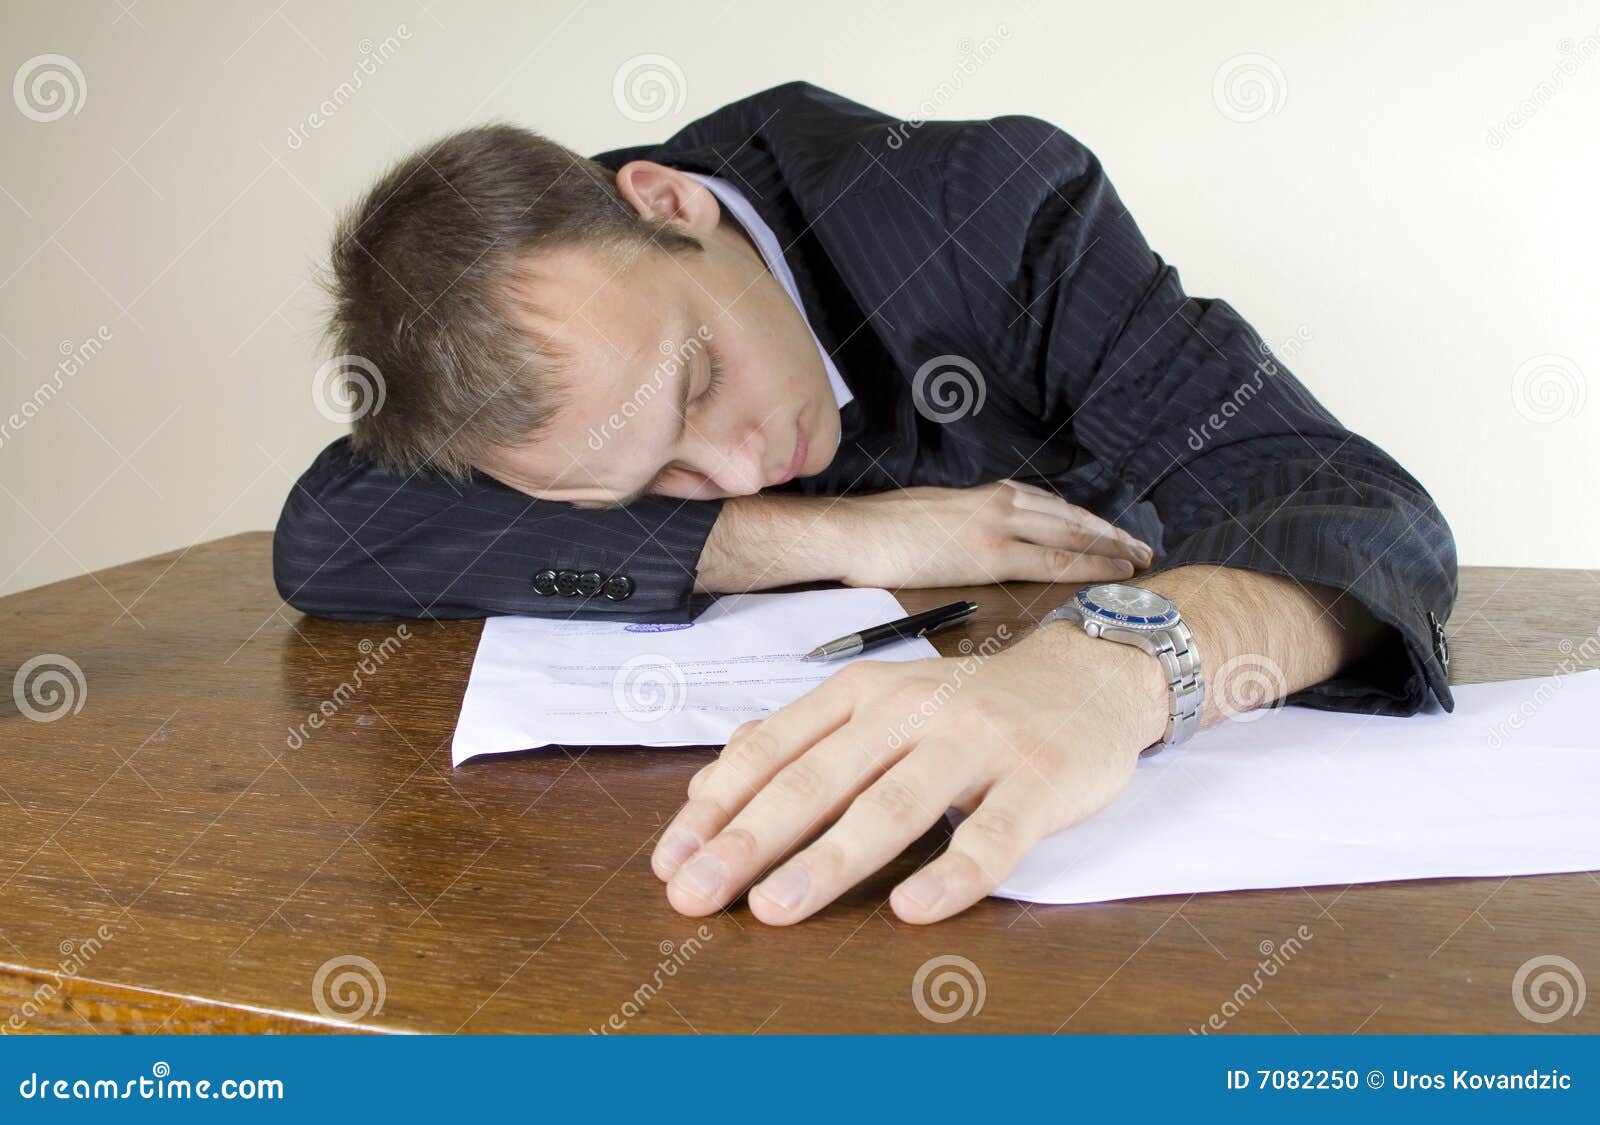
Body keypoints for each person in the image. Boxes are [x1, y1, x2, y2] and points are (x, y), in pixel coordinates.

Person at [273, 82, 1456, 926]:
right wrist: (830, 535)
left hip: (1116, 834)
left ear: (667, 204)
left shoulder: (988, 209)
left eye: (698, 382)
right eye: (660, 484)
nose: (738, 470)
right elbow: (333, 530)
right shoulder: (538, 362)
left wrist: (1109, 671)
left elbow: (1351, 506)